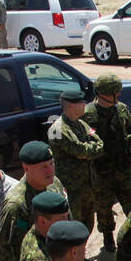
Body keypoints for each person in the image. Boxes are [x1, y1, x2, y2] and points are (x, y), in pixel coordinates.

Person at [0, 140, 68, 261]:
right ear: (26, 168)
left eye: (52, 164)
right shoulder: (16, 205)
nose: (50, 171)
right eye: (43, 167)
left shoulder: (54, 184)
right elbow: (7, 255)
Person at [84, 73, 131, 255]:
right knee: (103, 207)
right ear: (103, 94)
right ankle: (108, 236)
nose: (118, 97)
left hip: (123, 168)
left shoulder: (122, 109)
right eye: (114, 94)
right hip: (101, 172)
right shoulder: (88, 114)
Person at [48, 90, 105, 242]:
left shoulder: (81, 124)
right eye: (81, 103)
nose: (85, 105)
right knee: (72, 225)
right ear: (71, 106)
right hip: (72, 188)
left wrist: (89, 149)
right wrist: (90, 148)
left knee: (87, 223)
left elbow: (100, 144)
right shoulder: (58, 130)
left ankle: (82, 255)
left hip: (87, 185)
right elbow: (80, 151)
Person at [19, 190, 71, 261]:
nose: (67, 222)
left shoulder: (44, 235)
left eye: (67, 216)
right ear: (42, 221)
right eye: (62, 218)